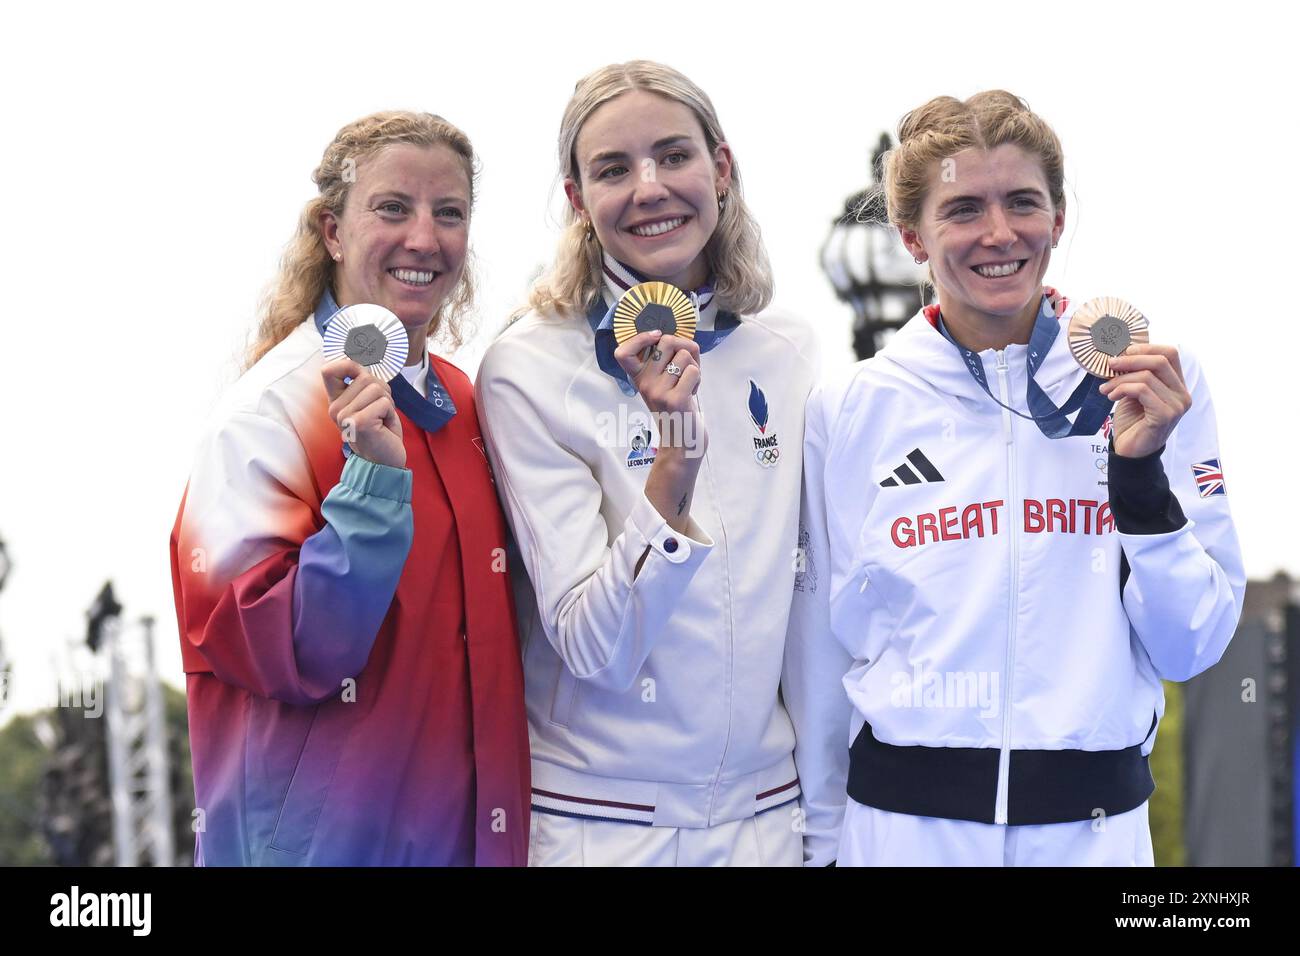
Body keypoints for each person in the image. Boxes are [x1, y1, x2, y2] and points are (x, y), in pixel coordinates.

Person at [786, 91, 1245, 866]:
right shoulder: (855, 405)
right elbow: (820, 655)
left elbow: (1190, 644)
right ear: (912, 237)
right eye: (962, 209)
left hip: (1093, 836)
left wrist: (1138, 480)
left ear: (1058, 218)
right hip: (901, 834)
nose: (999, 234)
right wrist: (823, 842)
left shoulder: (1151, 381)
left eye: (1023, 203)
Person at [475, 61, 818, 866]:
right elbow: (595, 648)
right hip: (603, 825)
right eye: (613, 169)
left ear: (721, 168)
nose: (650, 187)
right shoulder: (529, 367)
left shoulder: (789, 350)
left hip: (769, 819)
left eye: (674, 155)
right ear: (577, 200)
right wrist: (674, 466)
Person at [170, 111, 529, 866]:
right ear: (333, 231)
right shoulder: (267, 409)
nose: (424, 239)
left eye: (450, 213)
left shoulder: (466, 403)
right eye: (392, 208)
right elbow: (284, 652)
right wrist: (371, 489)